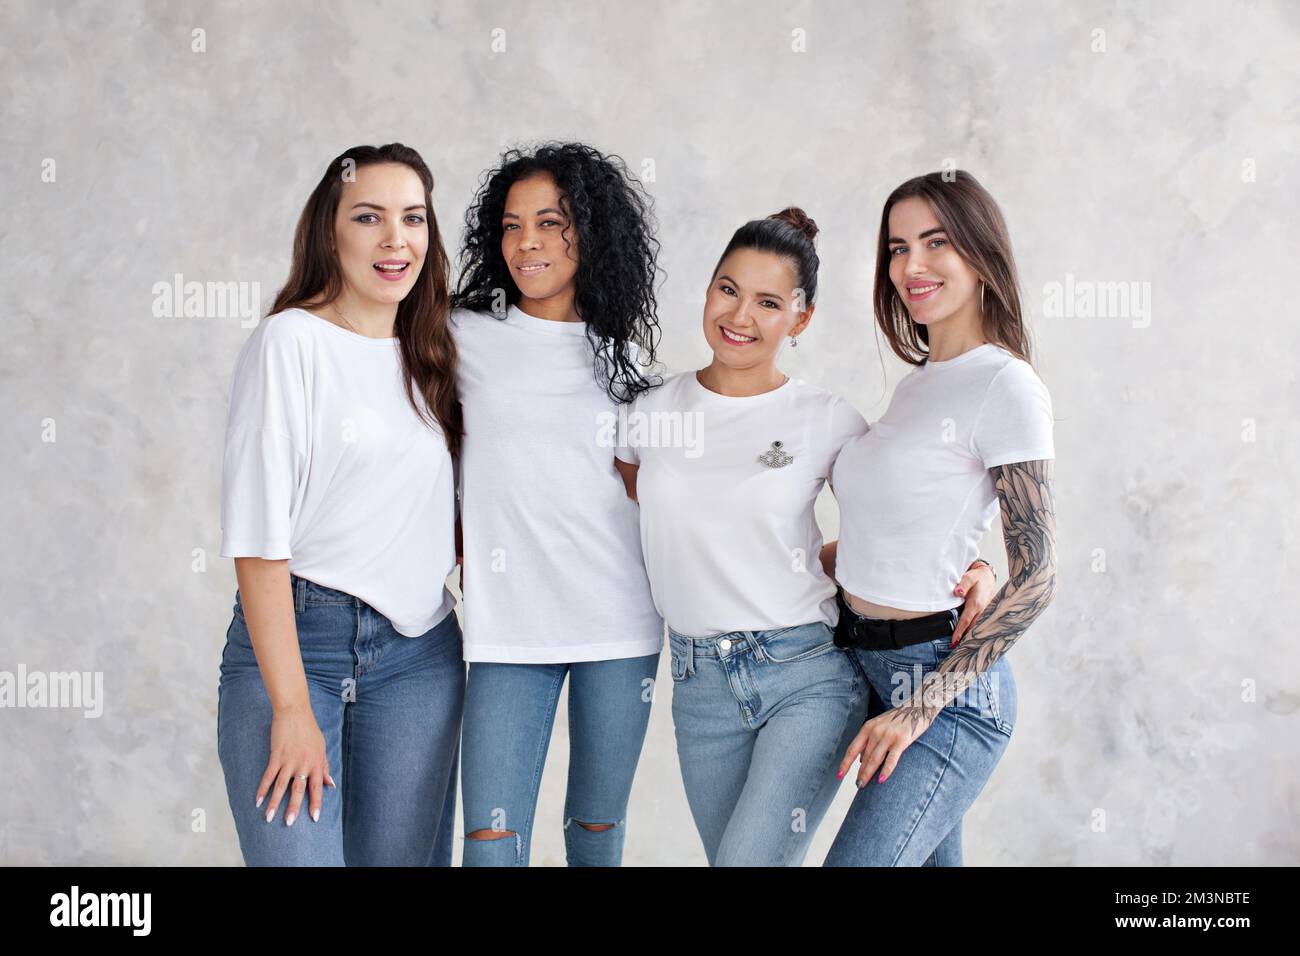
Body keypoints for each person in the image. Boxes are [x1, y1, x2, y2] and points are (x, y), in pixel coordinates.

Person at [615, 208, 996, 865]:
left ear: (801, 319)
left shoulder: (825, 418)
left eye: (769, 302)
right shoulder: (649, 411)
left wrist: (979, 565)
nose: (740, 316)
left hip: (805, 671)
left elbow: (901, 515)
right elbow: (662, 518)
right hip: (698, 683)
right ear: (707, 290)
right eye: (729, 289)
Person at [216, 144, 464, 866]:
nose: (396, 240)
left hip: (420, 658)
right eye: (368, 217)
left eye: (413, 218)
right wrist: (292, 707)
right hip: (303, 649)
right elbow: (258, 543)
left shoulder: (433, 352)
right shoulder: (289, 342)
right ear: (329, 231)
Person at [823, 169, 1058, 866]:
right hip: (871, 668)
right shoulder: (920, 384)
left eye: (935, 242)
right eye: (897, 248)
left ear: (981, 252)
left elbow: (1039, 575)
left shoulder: (1006, 385)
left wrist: (920, 706)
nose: (911, 266)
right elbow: (906, 529)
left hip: (943, 694)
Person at [451, 142, 664, 866]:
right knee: (491, 842)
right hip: (508, 628)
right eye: (512, 226)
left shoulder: (627, 363)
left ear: (591, 232)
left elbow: (657, 493)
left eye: (549, 223)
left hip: (620, 623)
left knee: (596, 831)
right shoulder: (461, 336)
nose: (527, 243)